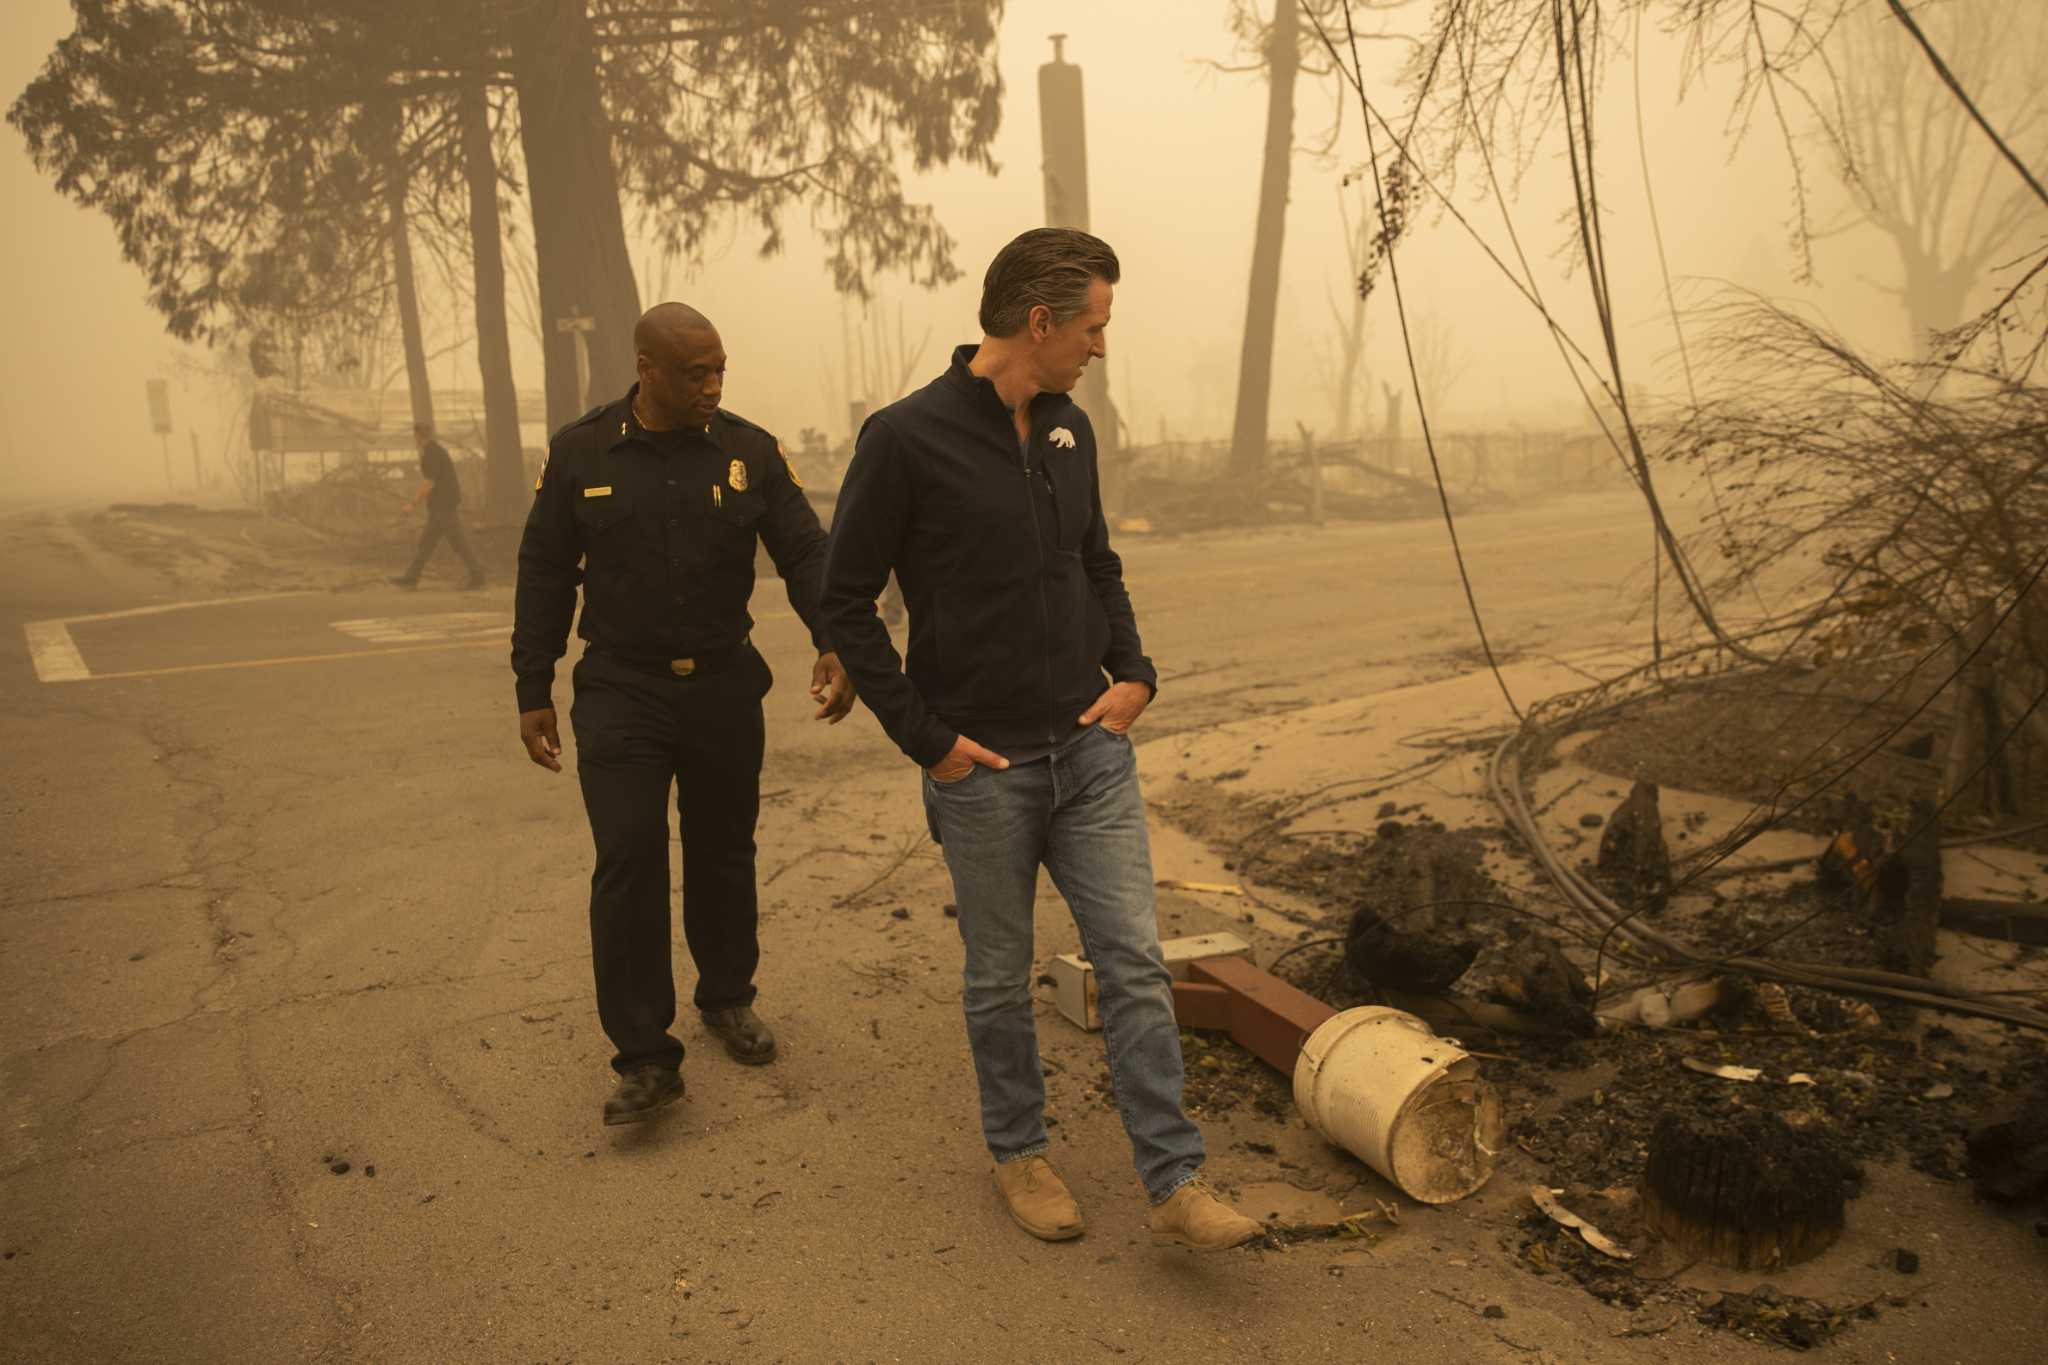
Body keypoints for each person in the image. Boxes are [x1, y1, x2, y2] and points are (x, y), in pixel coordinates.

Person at [819, 229, 1260, 1252]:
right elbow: (845, 604)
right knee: (997, 976)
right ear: (1039, 322)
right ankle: (1019, 1153)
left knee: (1134, 964)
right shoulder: (903, 438)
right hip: (983, 768)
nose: (1100, 348)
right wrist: (928, 740)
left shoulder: (1069, 431)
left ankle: (1175, 1180)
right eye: (1093, 326)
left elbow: (1094, 566)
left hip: (1089, 749)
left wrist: (1135, 674)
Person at [512, 302, 856, 1128]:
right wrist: (533, 685)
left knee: (722, 850)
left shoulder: (749, 450)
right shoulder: (580, 450)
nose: (712, 386)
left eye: (720, 371)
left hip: (722, 686)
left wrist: (834, 638)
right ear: (646, 368)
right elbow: (545, 568)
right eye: (695, 373)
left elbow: (805, 551)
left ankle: (727, 997)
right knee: (627, 859)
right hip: (621, 690)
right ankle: (644, 1055)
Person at [390, 423, 486, 590]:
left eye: (415, 436)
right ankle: (411, 577)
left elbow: (429, 482)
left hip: (444, 506)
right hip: (440, 506)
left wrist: (413, 504)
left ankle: (478, 576)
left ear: (419, 435)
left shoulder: (431, 454)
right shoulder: (435, 451)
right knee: (426, 543)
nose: (415, 439)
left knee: (458, 542)